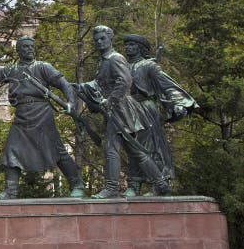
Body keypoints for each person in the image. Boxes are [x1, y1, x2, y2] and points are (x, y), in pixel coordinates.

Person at [0, 37, 86, 200]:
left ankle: (76, 184)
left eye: (31, 46)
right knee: (11, 149)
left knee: (56, 149)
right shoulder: (12, 70)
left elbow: (64, 84)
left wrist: (71, 102)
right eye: (25, 47)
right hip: (21, 115)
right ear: (18, 51)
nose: (29, 49)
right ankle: (11, 191)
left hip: (42, 113)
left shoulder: (43, 67)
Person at [75, 26, 170, 198]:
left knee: (114, 148)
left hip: (122, 109)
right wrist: (80, 87)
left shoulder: (115, 58)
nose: (99, 42)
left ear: (110, 39)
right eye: (96, 39)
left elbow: (125, 81)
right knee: (135, 150)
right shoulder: (103, 61)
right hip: (117, 110)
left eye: (102, 38)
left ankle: (111, 187)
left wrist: (109, 100)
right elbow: (98, 83)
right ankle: (160, 183)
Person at [123, 34, 198, 196]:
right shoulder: (123, 66)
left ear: (140, 48)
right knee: (132, 147)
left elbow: (167, 84)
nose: (127, 47)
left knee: (151, 146)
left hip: (145, 108)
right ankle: (134, 183)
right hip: (128, 110)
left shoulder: (149, 66)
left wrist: (178, 103)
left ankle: (160, 184)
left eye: (131, 44)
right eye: (126, 44)